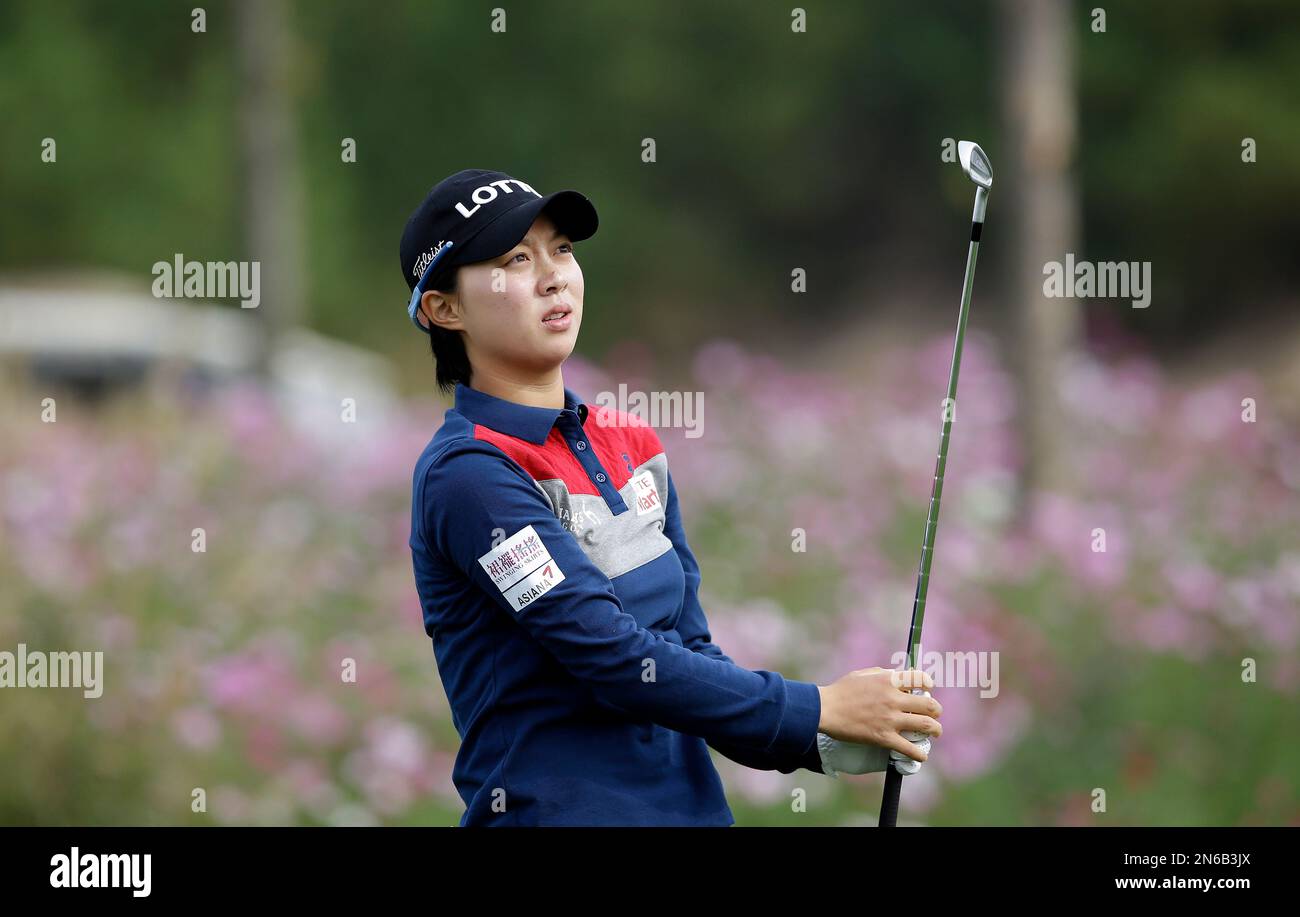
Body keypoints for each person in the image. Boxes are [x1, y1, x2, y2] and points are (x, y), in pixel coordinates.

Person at [401, 169, 943, 826]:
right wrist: (819, 705)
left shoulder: (629, 442)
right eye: (516, 259)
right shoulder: (468, 474)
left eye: (563, 250)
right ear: (444, 309)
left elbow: (687, 651)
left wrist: (830, 741)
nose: (554, 276)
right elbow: (616, 657)